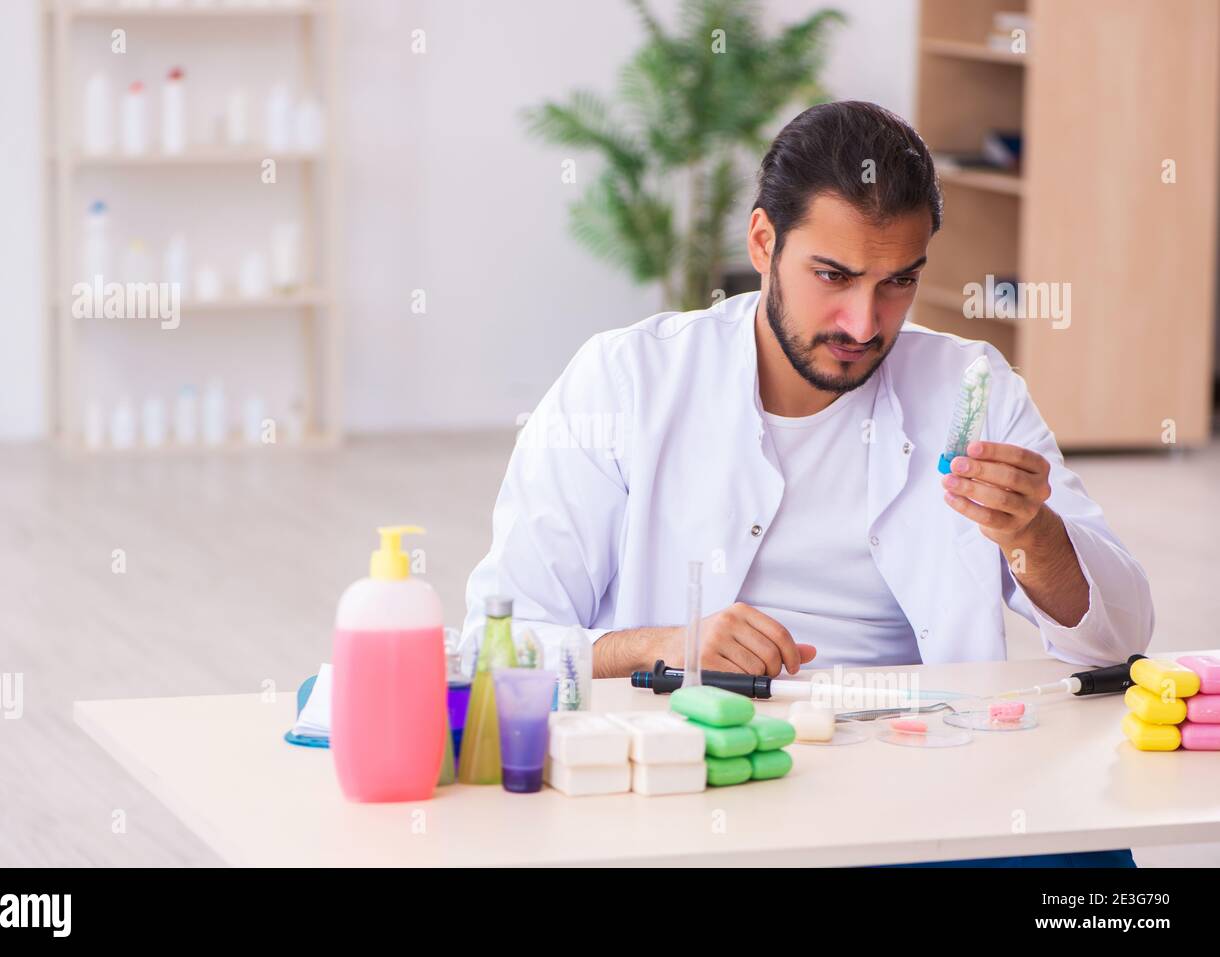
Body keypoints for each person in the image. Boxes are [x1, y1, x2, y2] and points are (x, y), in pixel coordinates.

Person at [463, 100, 1152, 691]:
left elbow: (1118, 644)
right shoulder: (626, 380)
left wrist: (1032, 534)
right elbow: (496, 646)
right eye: (833, 276)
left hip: (916, 766)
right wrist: (662, 646)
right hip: (700, 762)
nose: (863, 321)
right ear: (763, 243)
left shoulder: (972, 389)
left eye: (898, 283)